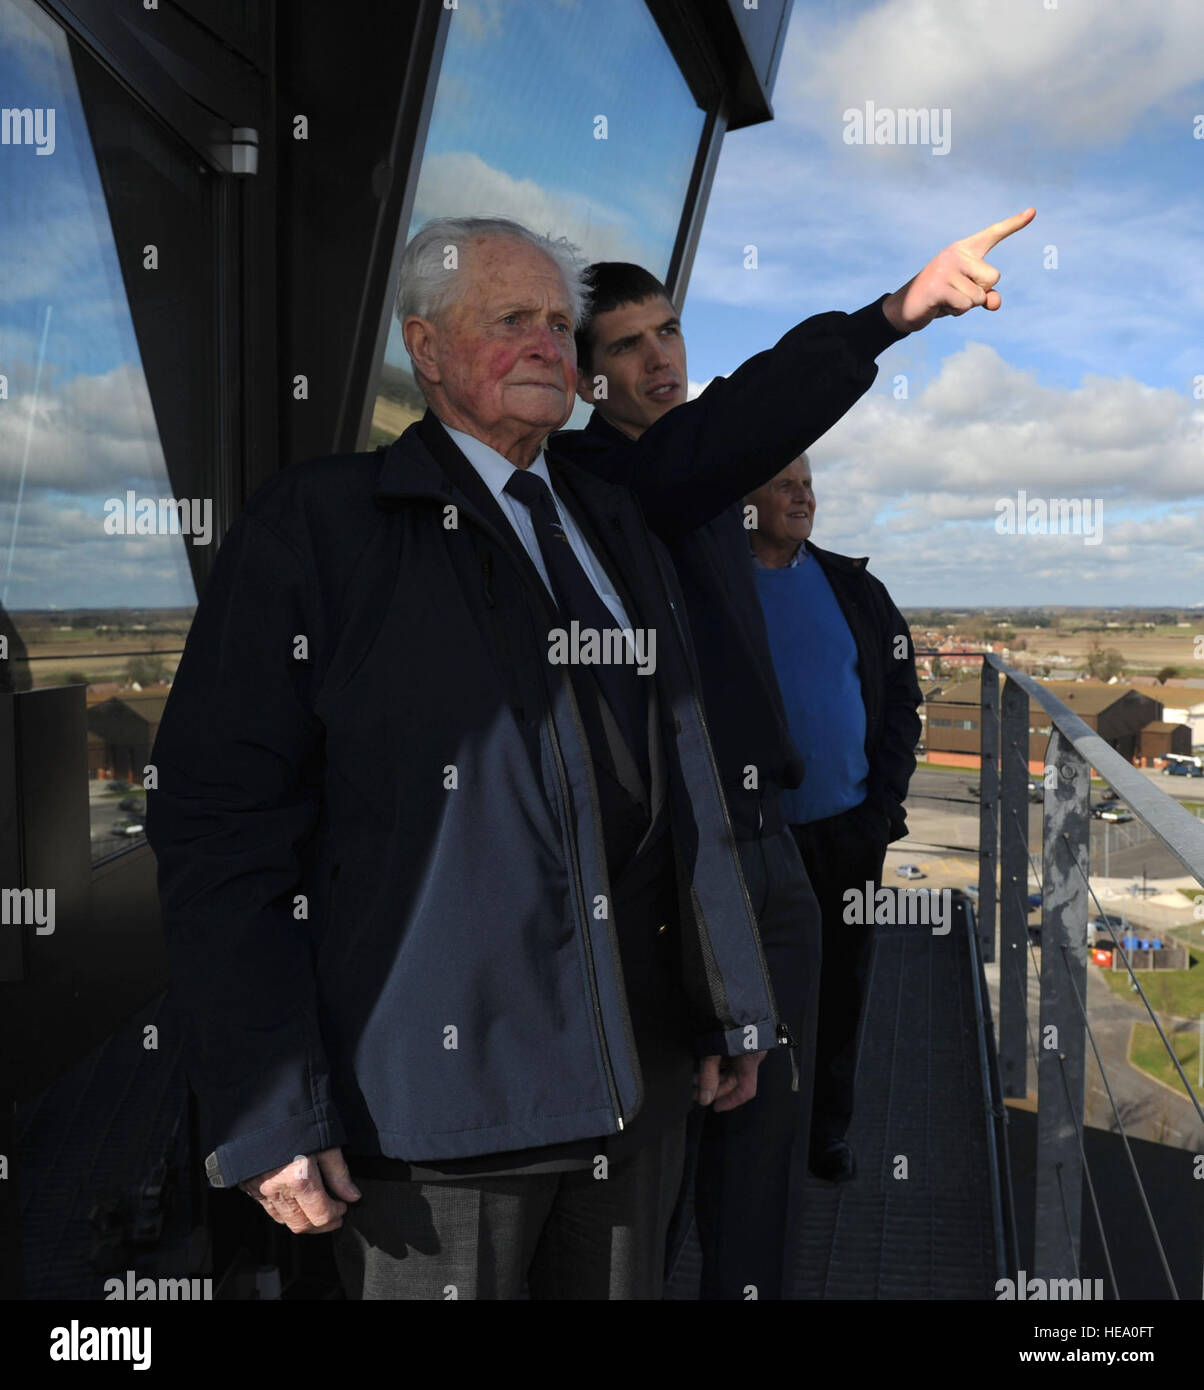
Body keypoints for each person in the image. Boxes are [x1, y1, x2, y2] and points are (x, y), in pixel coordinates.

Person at [144, 216, 784, 1302]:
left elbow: (685, 771)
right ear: (425, 349)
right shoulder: (319, 530)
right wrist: (266, 1108)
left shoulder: (611, 521)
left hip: (637, 1088)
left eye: (557, 324)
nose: (549, 345)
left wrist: (731, 1001)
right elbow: (220, 826)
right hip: (429, 1133)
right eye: (510, 321)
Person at [552, 208, 1034, 1297]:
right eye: (625, 345)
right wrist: (892, 315)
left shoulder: (709, 495)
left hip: (775, 847)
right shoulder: (604, 481)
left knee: (765, 1122)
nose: (659, 355)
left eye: (668, 330)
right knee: (672, 1134)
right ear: (585, 381)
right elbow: (730, 426)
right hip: (683, 864)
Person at [745, 452, 922, 1182]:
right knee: (747, 989)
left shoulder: (856, 589)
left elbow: (902, 698)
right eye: (783, 483)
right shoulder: (707, 586)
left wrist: (881, 811)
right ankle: (745, 1130)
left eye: (808, 485)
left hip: (848, 836)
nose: (802, 498)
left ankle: (825, 1131)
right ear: (744, 502)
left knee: (840, 987)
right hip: (749, 840)